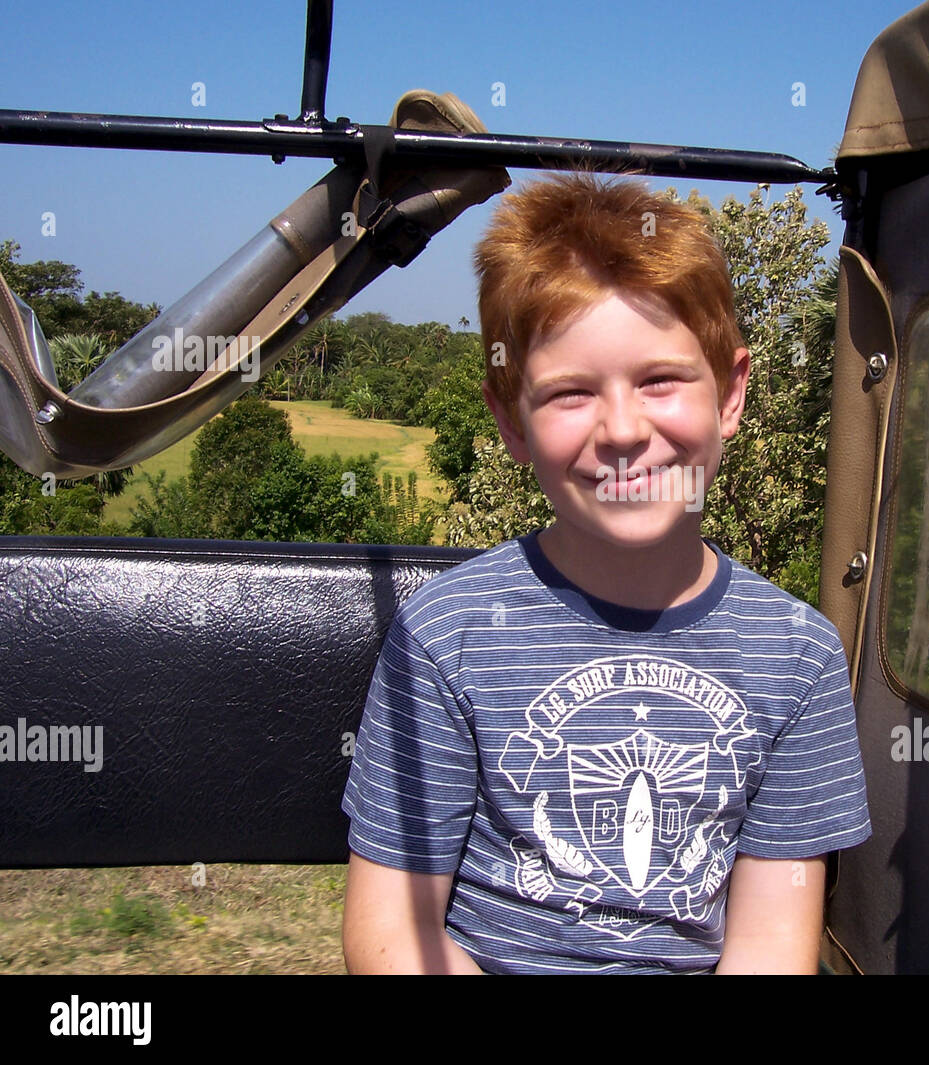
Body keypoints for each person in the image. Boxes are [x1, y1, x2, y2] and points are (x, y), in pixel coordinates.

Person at [340, 172, 870, 974]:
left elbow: (770, 944)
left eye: (659, 380)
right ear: (511, 421)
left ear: (730, 394)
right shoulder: (448, 635)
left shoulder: (799, 657)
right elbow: (392, 932)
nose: (621, 429)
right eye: (570, 393)